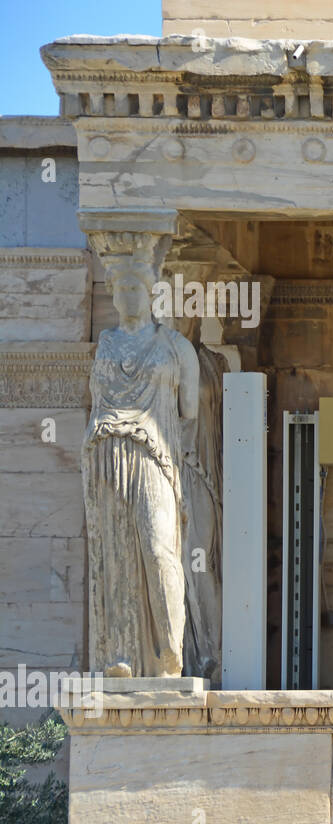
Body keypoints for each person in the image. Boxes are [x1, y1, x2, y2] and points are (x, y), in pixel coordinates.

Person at [83, 259, 199, 678]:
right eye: (119, 288)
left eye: (135, 288)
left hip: (155, 454)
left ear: (151, 293)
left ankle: (169, 657)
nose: (126, 296)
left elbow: (190, 411)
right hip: (106, 454)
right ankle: (122, 655)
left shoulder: (176, 346)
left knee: (157, 548)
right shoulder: (106, 343)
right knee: (117, 555)